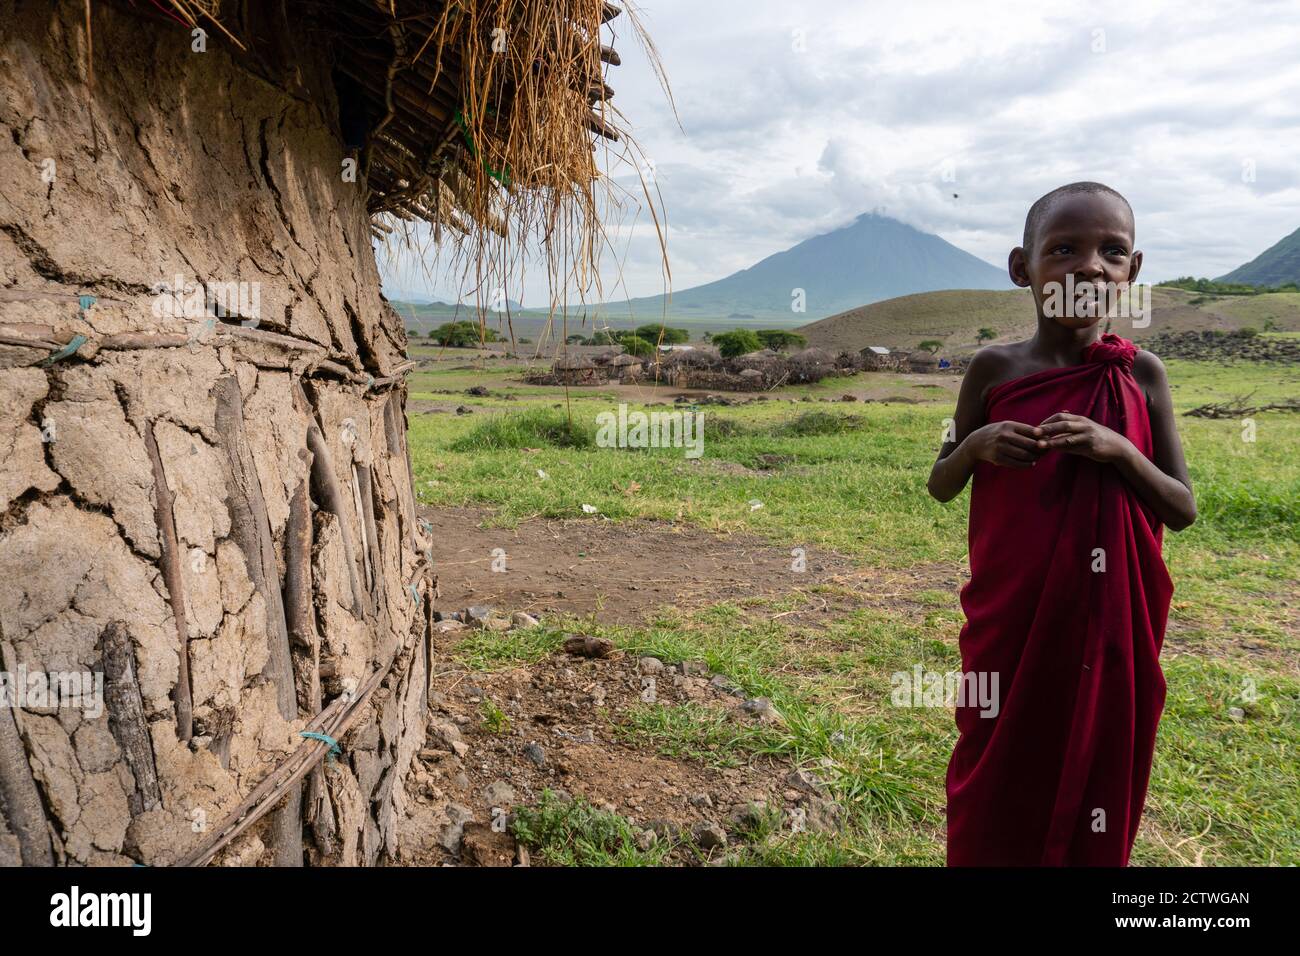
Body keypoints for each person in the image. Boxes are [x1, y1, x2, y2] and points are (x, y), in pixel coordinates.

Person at [927, 182, 1196, 865]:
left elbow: (1182, 508)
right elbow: (940, 482)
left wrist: (1121, 451)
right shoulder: (995, 369)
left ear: (1133, 272)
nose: (1090, 267)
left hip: (1110, 624)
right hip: (1012, 619)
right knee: (999, 756)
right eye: (1065, 249)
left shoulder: (1145, 377)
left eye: (1112, 251)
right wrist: (976, 446)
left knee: (1096, 764)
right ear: (1024, 268)